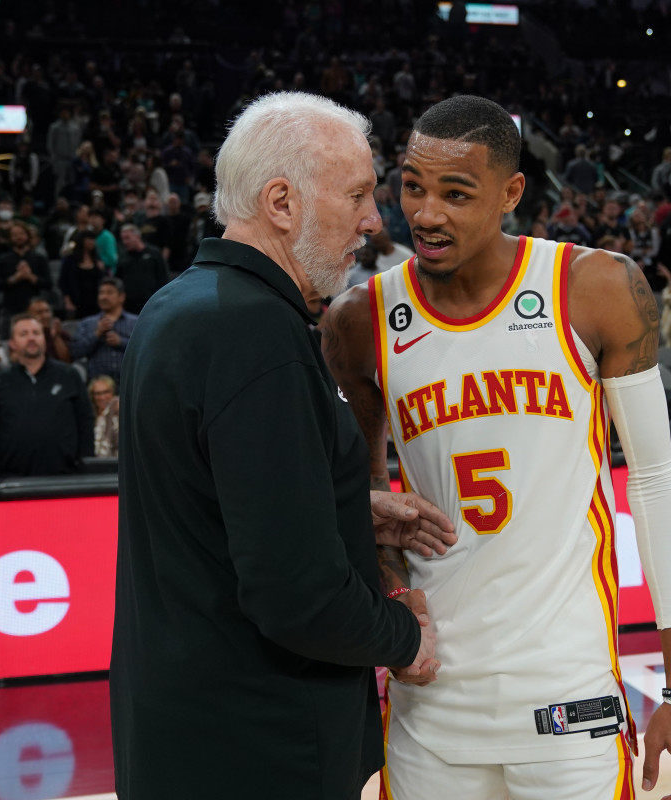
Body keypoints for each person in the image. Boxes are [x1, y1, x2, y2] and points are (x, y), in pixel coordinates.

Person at [322, 95, 671, 800]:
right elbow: (367, 495)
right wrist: (395, 590)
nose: (427, 213)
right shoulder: (359, 319)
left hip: (570, 694)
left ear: (511, 193)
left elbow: (653, 482)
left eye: (455, 193)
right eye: (412, 185)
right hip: (431, 696)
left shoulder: (597, 287)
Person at [111, 91, 456, 799]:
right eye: (359, 194)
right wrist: (402, 638)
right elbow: (294, 593)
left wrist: (340, 506)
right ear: (280, 202)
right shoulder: (255, 336)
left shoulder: (181, 307)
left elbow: (213, 505)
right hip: (257, 745)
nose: (372, 221)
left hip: (188, 730)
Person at [0, 314, 93, 478]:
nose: (31, 338)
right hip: (13, 479)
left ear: (44, 338)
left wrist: (86, 466)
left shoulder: (69, 375)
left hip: (65, 476)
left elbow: (85, 424)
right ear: (12, 343)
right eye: (24, 334)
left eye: (36, 332)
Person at [72, 277, 137, 383]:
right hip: (98, 386)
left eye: (109, 292)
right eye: (101, 293)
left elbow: (144, 349)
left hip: (129, 382)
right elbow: (76, 351)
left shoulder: (135, 322)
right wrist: (97, 334)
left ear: (122, 297)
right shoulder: (87, 323)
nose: (103, 297)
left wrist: (121, 342)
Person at [0, 221, 52, 316]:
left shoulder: (39, 258)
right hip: (10, 307)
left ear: (27, 235)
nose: (19, 237)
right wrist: (15, 278)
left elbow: (48, 283)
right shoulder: (3, 259)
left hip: (34, 307)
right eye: (15, 234)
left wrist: (30, 277)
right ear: (10, 238)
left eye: (22, 233)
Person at [115, 224, 169, 314]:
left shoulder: (154, 253)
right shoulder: (123, 258)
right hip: (129, 307)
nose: (124, 242)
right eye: (123, 239)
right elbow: (118, 280)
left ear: (137, 236)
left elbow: (163, 277)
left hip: (151, 304)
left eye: (127, 238)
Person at [59, 229, 109, 318]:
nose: (92, 242)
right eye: (89, 239)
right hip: (77, 301)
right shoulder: (70, 260)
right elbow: (63, 281)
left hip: (95, 301)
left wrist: (102, 269)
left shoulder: (97, 260)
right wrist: (68, 301)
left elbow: (103, 280)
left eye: (93, 239)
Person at [26, 296, 72, 364]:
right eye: (39, 312)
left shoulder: (61, 334)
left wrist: (56, 337)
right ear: (29, 316)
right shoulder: (24, 336)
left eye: (47, 311)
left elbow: (67, 361)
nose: (45, 316)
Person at [88, 374, 120, 457]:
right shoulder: (90, 414)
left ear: (113, 392)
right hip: (93, 462)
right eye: (97, 393)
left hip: (115, 461)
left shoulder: (118, 409)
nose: (102, 397)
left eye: (106, 392)